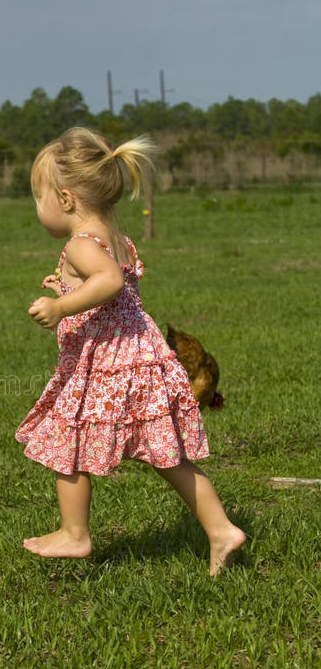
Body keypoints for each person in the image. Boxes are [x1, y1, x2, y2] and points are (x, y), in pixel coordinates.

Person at [15, 126, 246, 576]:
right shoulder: (114, 237)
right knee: (169, 457)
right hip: (139, 361)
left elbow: (110, 282)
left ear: (65, 200)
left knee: (69, 440)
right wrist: (66, 286)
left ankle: (75, 535)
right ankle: (221, 530)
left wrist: (62, 304)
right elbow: (106, 290)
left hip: (109, 369)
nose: (37, 208)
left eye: (37, 197)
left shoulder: (81, 243)